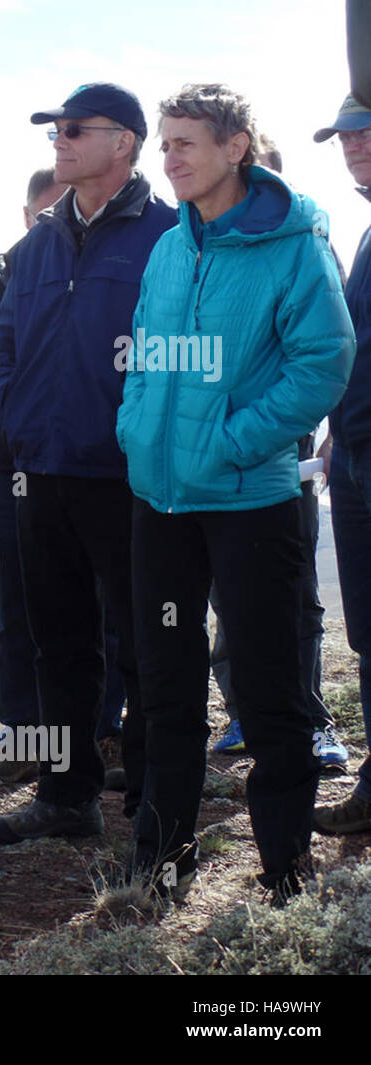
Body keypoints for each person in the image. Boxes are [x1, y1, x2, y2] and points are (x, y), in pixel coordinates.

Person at [116, 84, 353, 901]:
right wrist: (136, 428)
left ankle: (285, 867)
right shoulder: (171, 247)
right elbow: (145, 352)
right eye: (165, 142)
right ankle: (159, 860)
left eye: (185, 142)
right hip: (161, 501)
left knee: (267, 685)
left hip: (251, 502)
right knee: (165, 683)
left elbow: (321, 363)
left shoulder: (294, 242)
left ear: (237, 146)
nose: (169, 157)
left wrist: (230, 441)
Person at [0, 83, 177, 843]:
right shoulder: (36, 244)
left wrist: (138, 429)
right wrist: (17, 413)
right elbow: (2, 345)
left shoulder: (170, 237)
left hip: (130, 476)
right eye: (53, 131)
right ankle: (66, 798)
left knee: (146, 640)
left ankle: (157, 805)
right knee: (58, 642)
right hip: (43, 474)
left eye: (73, 130)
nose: (57, 142)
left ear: (124, 142)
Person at [0, 168, 127, 789]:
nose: (61, 221)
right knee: (21, 609)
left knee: (105, 612)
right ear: (28, 217)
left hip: (102, 469)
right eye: (48, 212)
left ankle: (103, 736)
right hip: (17, 470)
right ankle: (25, 738)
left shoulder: (119, 267)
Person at [206, 135, 347, 768]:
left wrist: (332, 429)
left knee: (298, 595)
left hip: (288, 457)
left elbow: (340, 354)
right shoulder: (194, 251)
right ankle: (241, 716)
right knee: (226, 596)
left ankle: (311, 719)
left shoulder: (310, 251)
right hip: (209, 460)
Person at [314, 93, 371, 834]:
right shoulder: (364, 237)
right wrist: (338, 430)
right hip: (354, 456)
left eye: (365, 132)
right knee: (367, 633)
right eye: (345, 138)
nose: (353, 146)